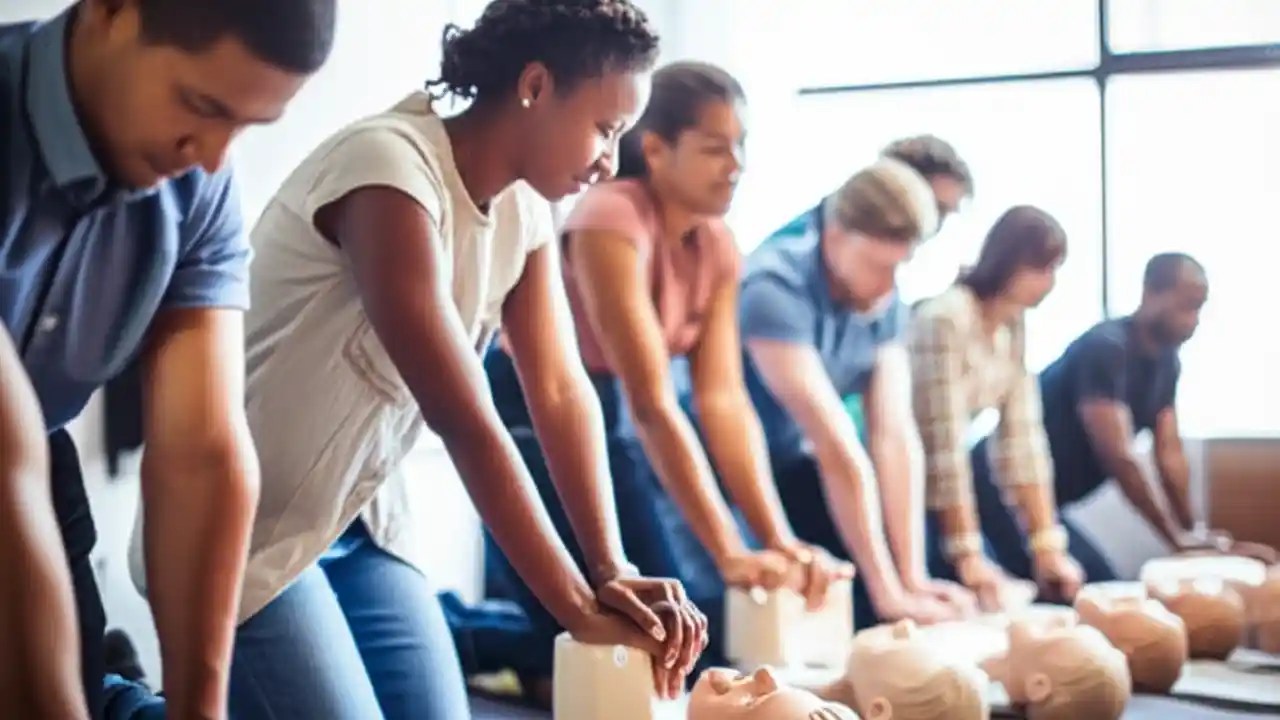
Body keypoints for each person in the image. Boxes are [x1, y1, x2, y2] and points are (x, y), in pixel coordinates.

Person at [225, 2, 705, 718]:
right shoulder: (387, 170)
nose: (610, 162)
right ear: (536, 86)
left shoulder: (526, 212)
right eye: (606, 130)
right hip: (255, 531)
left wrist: (612, 570)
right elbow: (467, 420)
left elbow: (559, 388)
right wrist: (575, 607)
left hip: (364, 524)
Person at [466, 60, 851, 689]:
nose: (736, 165)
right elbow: (650, 402)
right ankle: (454, 627)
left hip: (608, 409)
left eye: (742, 147)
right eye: (714, 148)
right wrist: (729, 550)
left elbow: (723, 401)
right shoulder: (610, 216)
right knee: (612, 634)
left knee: (682, 629)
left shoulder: (719, 245)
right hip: (532, 404)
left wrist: (776, 540)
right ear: (656, 149)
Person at [0, 1, 335, 718]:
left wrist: (199, 707)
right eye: (200, 104)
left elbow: (203, 453)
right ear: (113, 12)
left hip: (37, 471)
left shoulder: (201, 183)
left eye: (246, 126)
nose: (214, 157)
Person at [739, 157, 978, 630]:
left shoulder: (885, 299)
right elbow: (836, 446)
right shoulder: (774, 283)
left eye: (902, 266)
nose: (890, 286)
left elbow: (894, 435)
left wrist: (913, 579)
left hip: (796, 460)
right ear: (836, 235)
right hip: (736, 472)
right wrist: (888, 593)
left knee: (903, 585)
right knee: (858, 602)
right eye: (878, 265)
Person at [973, 252, 1275, 580]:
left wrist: (1194, 534)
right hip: (997, 488)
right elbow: (1119, 457)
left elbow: (1169, 455)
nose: (1194, 320)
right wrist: (1175, 539)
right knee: (1082, 588)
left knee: (1099, 581)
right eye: (1186, 306)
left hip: (1045, 505)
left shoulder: (1166, 364)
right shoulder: (1106, 348)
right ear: (1151, 293)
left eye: (1199, 308)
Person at [910, 206, 1086, 611]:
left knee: (1048, 583)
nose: (1050, 282)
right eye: (1042, 268)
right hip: (906, 477)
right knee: (960, 596)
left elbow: (1023, 442)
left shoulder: (1013, 324)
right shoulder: (945, 317)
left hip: (952, 474)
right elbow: (942, 446)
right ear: (1009, 261)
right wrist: (967, 554)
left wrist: (1047, 545)